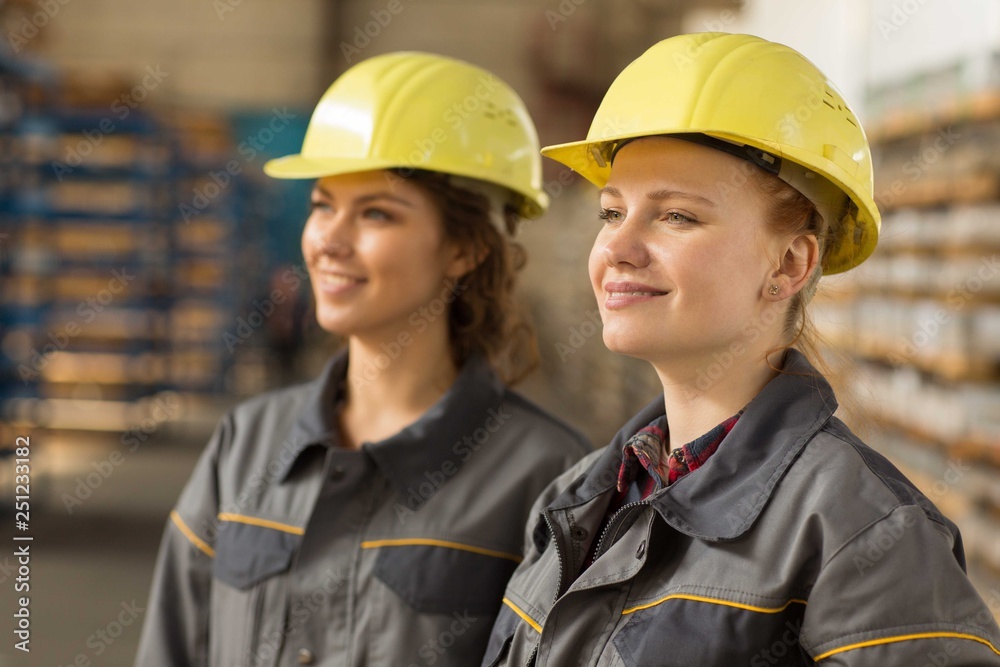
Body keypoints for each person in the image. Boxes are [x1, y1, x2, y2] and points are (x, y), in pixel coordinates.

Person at [482, 33, 1000, 666]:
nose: (619, 247)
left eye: (676, 216)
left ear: (788, 263)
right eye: (612, 213)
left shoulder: (866, 537)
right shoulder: (574, 503)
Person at [134, 52, 590, 667]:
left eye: (376, 212)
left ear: (464, 249)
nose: (329, 240)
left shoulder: (548, 479)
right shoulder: (244, 446)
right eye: (323, 205)